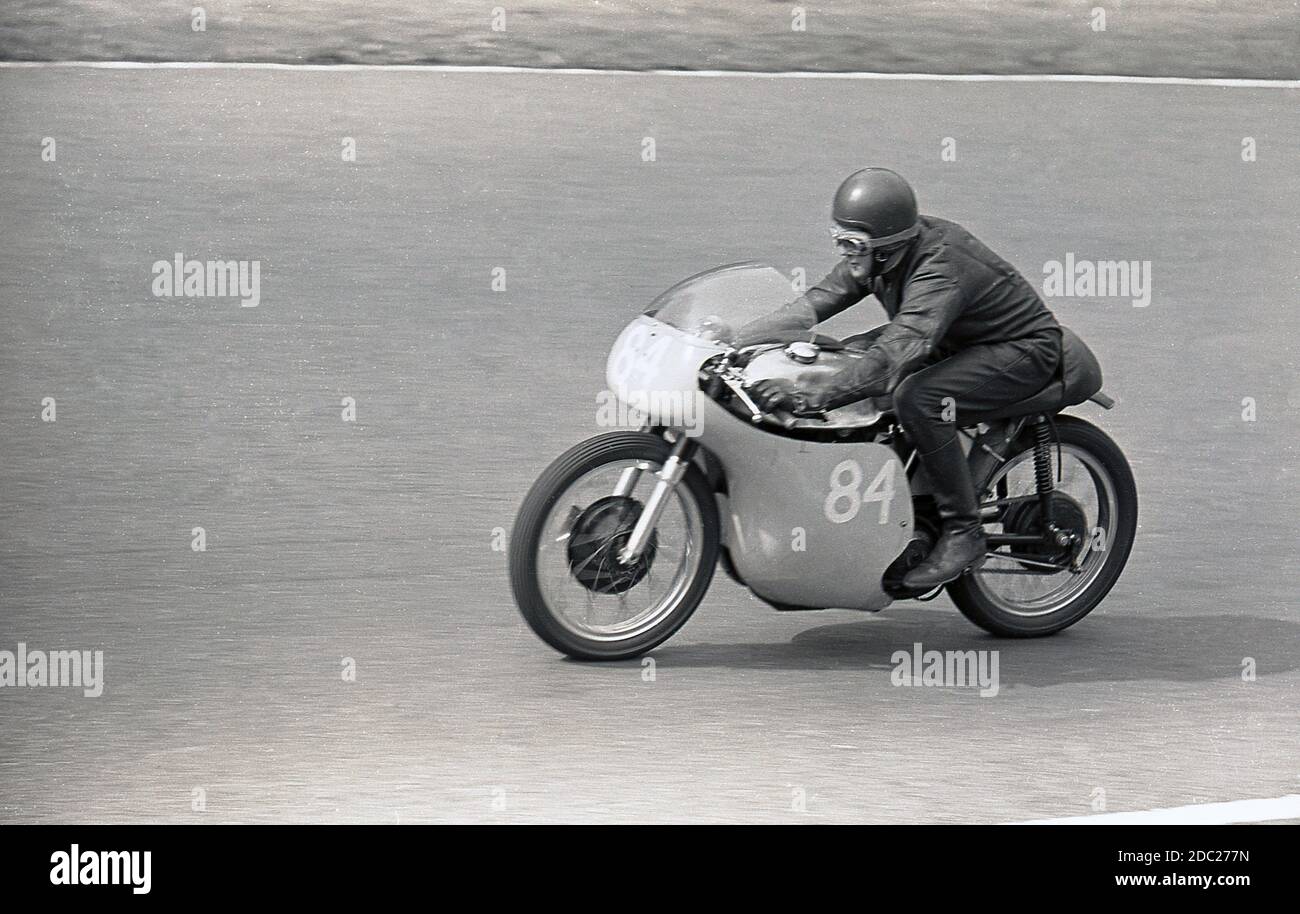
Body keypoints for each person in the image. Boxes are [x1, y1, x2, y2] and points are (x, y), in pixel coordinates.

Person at [736, 168, 1063, 589]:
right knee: (842, 355)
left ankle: (964, 533)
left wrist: (807, 396)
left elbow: (893, 359)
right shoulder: (879, 256)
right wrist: (735, 337)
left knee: (916, 397)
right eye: (838, 239)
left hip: (1022, 350)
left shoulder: (938, 269)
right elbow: (814, 304)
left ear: (887, 249)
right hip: (958, 338)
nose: (844, 252)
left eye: (853, 244)